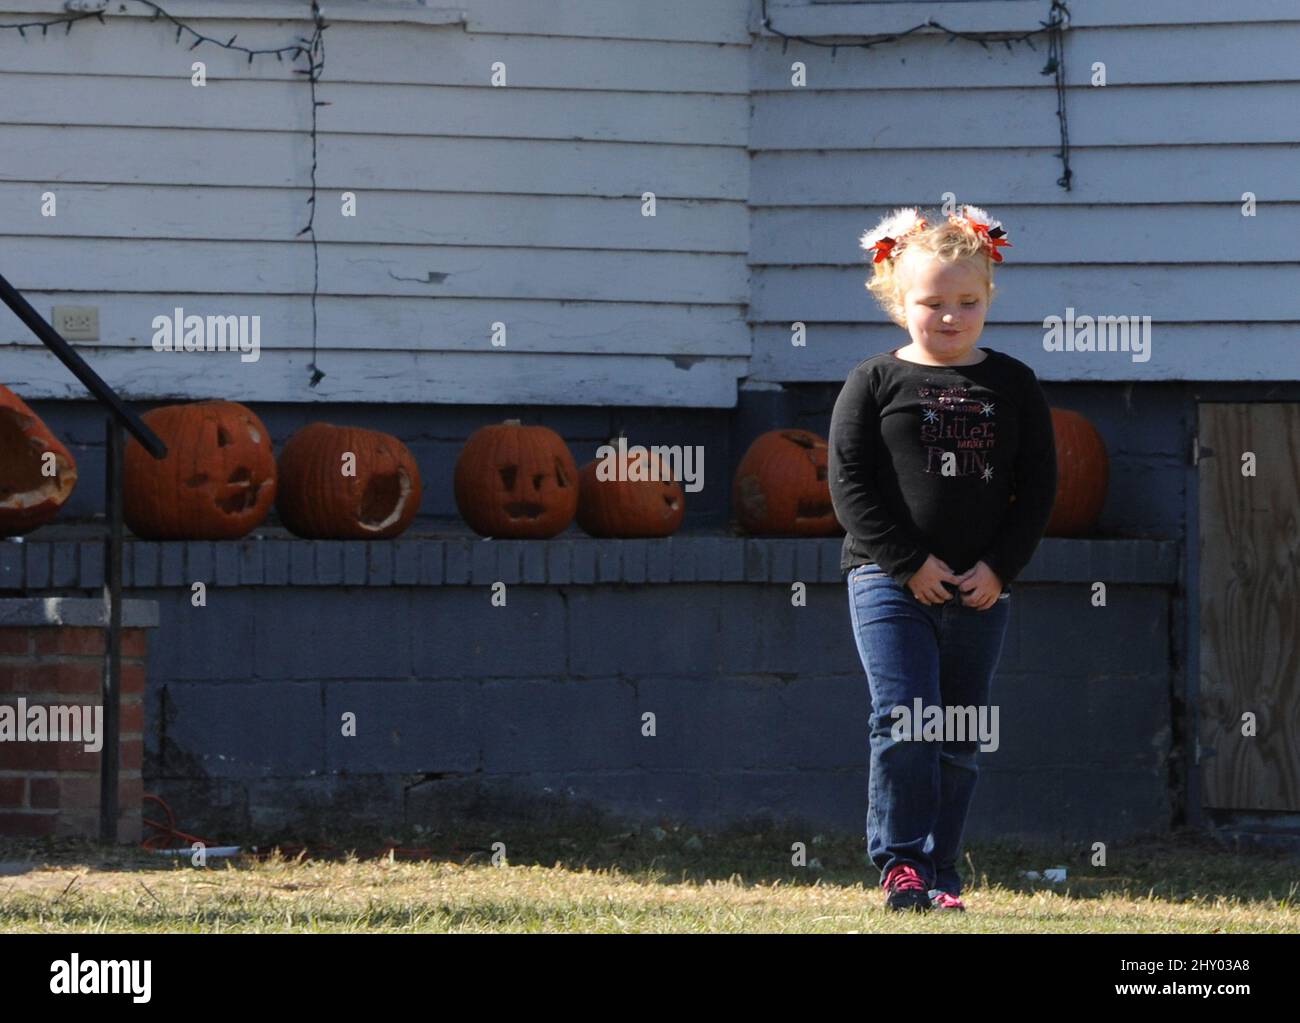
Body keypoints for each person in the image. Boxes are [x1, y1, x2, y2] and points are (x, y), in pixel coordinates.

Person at [828, 205, 1057, 912]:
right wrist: (905, 563)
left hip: (979, 588)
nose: (951, 317)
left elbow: (1039, 486)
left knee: (957, 731)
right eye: (932, 302)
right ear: (899, 301)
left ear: (988, 299)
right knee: (904, 716)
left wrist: (999, 568)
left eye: (967, 302)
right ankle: (900, 862)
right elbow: (848, 482)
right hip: (890, 581)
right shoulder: (874, 381)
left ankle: (941, 871)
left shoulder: (1013, 384)